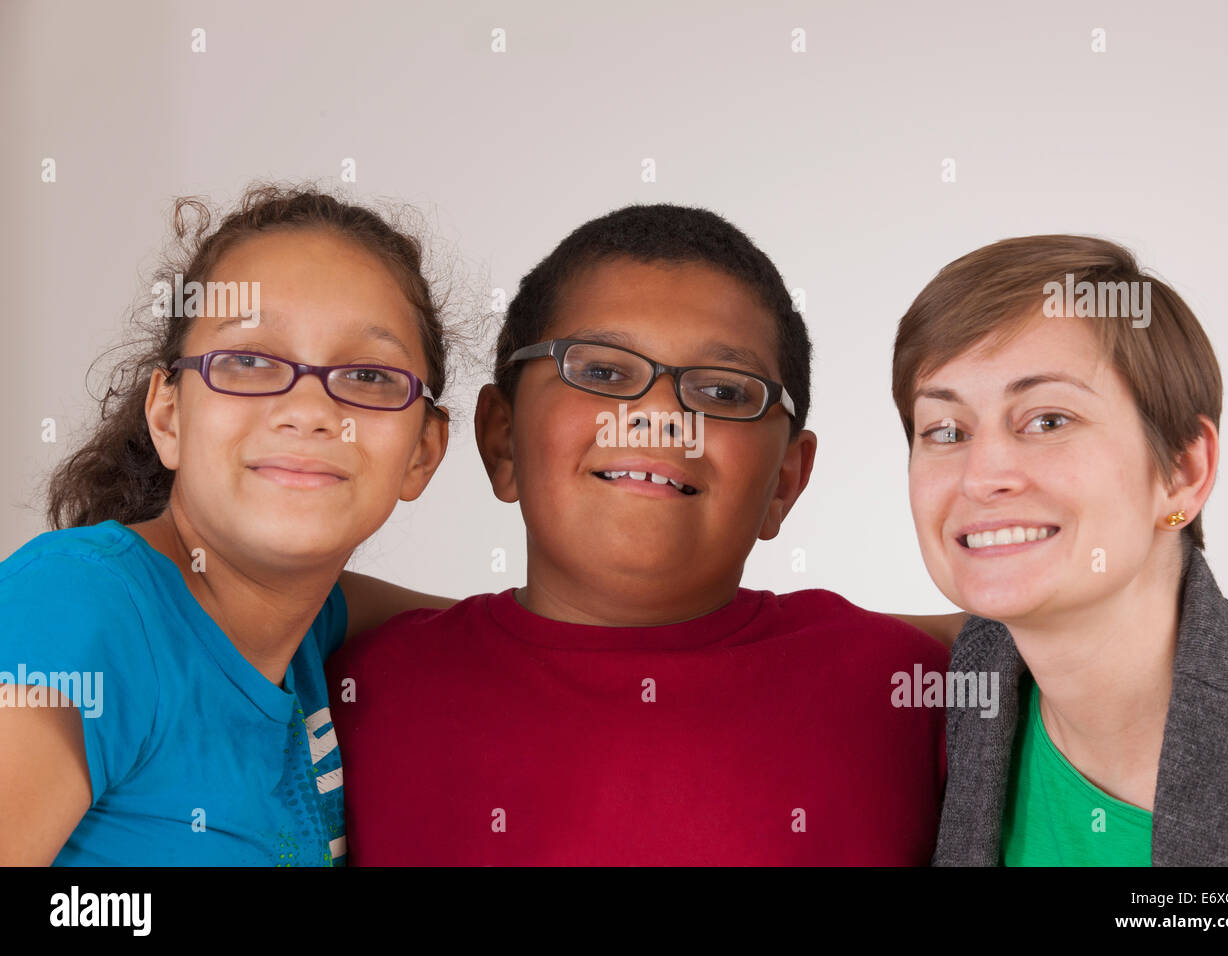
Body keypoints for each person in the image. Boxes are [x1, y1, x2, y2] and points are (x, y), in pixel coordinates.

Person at [327, 203, 950, 865]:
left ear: (785, 483)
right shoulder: (350, 688)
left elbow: (1062, 637)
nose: (658, 416)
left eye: (724, 392)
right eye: (599, 372)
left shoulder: (908, 684)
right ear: (501, 438)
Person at [0, 184, 452, 865]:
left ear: (422, 452)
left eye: (365, 374)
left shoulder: (309, 619)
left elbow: (507, 628)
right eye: (246, 361)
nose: (308, 409)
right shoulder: (77, 608)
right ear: (169, 417)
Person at [892, 234, 1228, 865]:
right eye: (946, 431)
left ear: (1183, 470)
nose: (982, 476)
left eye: (1048, 420)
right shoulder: (973, 671)